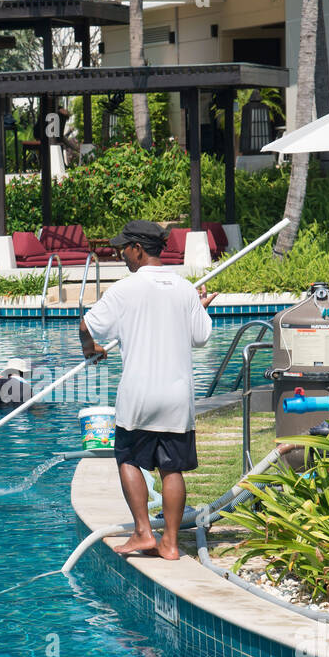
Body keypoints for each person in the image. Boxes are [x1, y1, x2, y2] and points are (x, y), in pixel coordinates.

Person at [79, 219, 216, 561]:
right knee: (172, 469)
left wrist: (90, 349)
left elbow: (86, 325)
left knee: (126, 458)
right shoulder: (185, 289)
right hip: (176, 396)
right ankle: (169, 543)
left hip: (138, 394)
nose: (121, 254)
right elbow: (201, 337)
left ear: (138, 250)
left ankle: (143, 532)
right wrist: (199, 307)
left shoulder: (125, 290)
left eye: (124, 248)